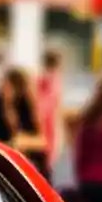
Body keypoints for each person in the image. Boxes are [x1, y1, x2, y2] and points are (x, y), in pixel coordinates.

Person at [36, 48, 65, 179]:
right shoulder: (53, 81)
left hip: (44, 132)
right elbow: (46, 108)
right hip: (48, 133)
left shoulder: (41, 80)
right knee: (45, 175)